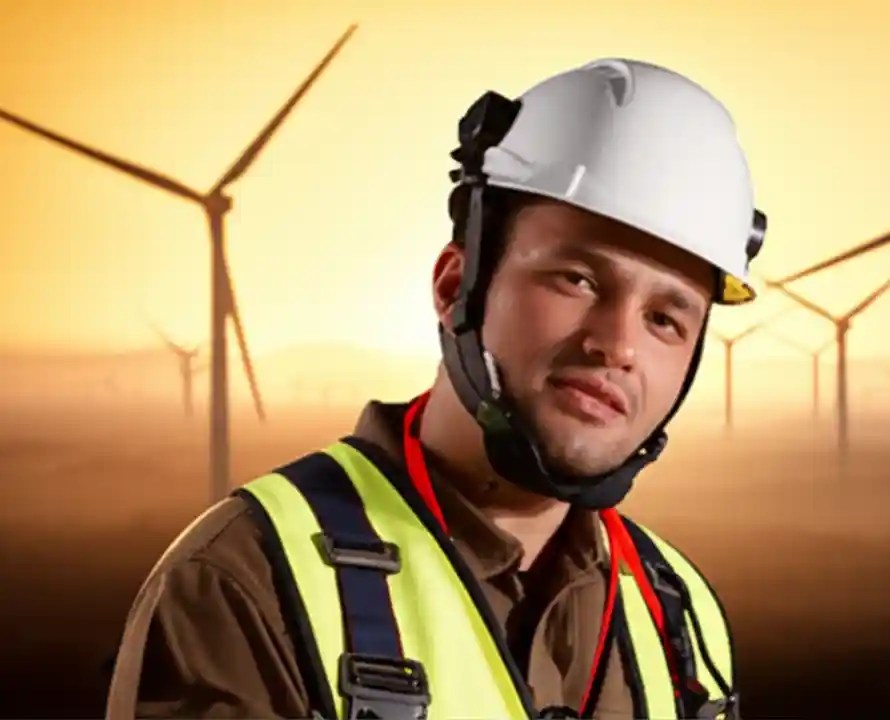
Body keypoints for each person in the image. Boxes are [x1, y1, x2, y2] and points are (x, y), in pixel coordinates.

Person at [105, 56, 767, 720]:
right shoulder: (250, 582)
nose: (618, 346)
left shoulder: (683, 620)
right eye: (578, 280)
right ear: (455, 286)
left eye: (665, 319)